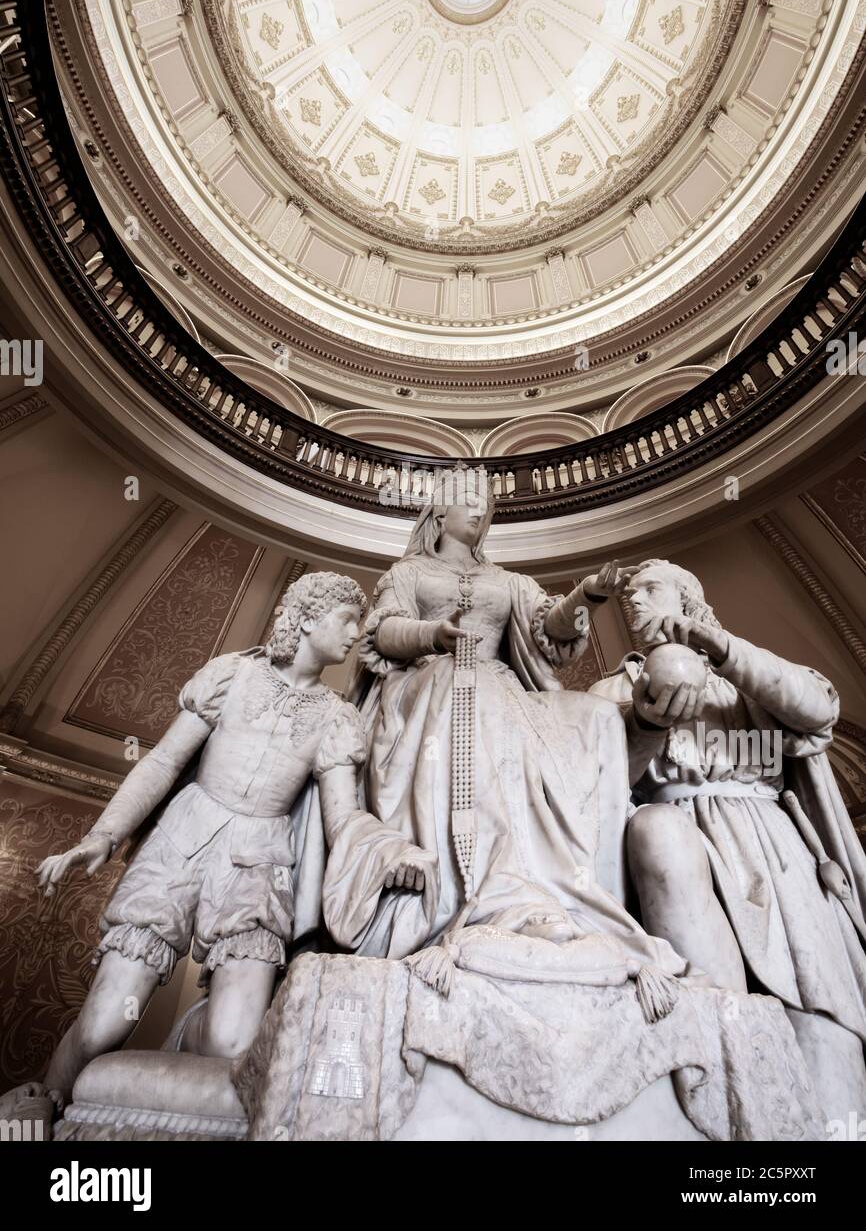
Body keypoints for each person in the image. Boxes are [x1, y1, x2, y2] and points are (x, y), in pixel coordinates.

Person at [35, 572, 429, 1102]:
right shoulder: (231, 675)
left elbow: (342, 818)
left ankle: (180, 1044)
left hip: (259, 866)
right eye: (346, 619)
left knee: (230, 1046)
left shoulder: (339, 720)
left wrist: (387, 851)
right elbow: (165, 760)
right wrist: (102, 836)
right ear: (308, 618)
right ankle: (44, 1104)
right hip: (182, 841)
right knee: (102, 1025)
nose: (357, 632)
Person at [320, 468, 692, 998]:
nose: (479, 509)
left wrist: (585, 596)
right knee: (462, 691)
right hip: (433, 687)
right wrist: (435, 636)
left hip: (498, 691)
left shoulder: (508, 581)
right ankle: (486, 889)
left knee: (598, 716)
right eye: (467, 500)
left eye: (485, 502)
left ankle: (550, 885)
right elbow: (382, 632)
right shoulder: (408, 572)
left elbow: (549, 629)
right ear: (439, 511)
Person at [591, 558, 866, 1117]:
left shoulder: (741, 674)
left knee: (821, 1024)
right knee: (723, 1038)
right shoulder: (611, 690)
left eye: (650, 589)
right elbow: (590, 791)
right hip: (668, 845)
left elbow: (817, 711)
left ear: (688, 600)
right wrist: (646, 724)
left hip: (771, 849)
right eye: (630, 592)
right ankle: (736, 1124)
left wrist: (720, 649)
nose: (633, 601)